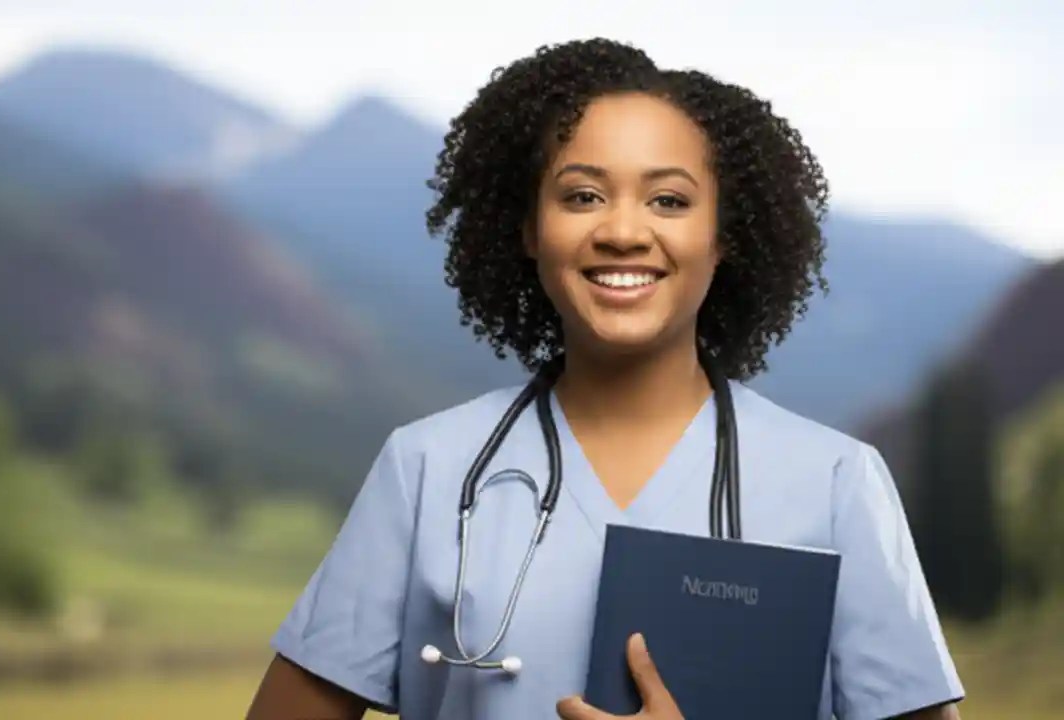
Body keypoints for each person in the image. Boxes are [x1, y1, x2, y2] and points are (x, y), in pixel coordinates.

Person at [246, 38, 964, 720]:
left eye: (670, 201)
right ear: (528, 228)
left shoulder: (837, 484)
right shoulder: (427, 469)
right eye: (583, 196)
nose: (623, 230)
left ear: (724, 236)